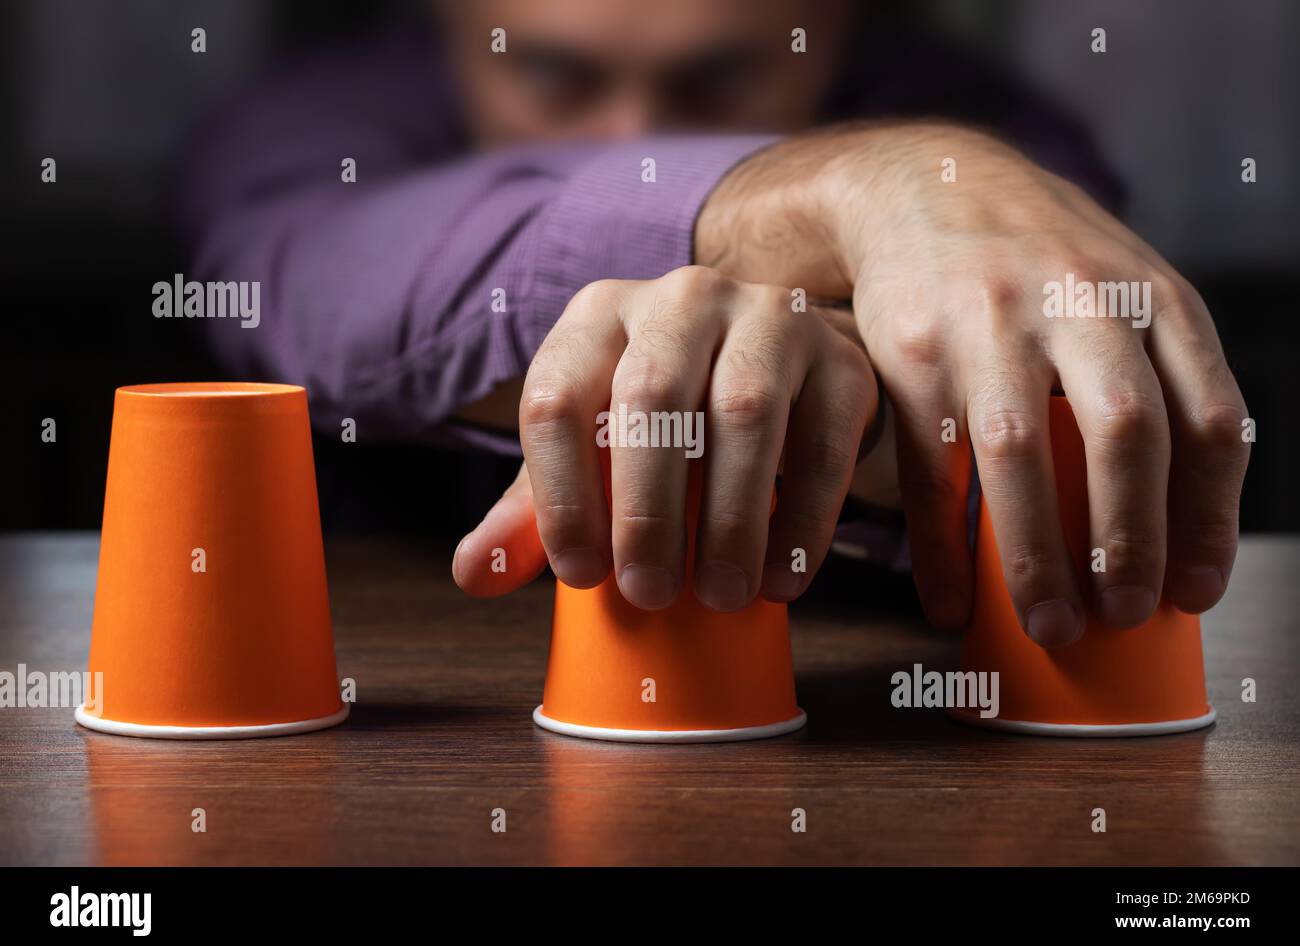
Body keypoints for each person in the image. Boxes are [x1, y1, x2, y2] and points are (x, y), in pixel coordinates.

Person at [180, 0, 1248, 647]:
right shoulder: (314, 114)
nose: (629, 134)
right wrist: (835, 190)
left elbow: (1046, 361)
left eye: (718, 76)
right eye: (551, 73)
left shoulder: (990, 128)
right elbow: (315, 286)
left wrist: (832, 387)